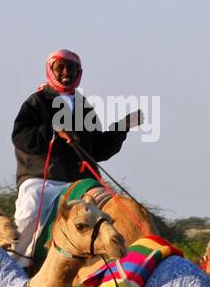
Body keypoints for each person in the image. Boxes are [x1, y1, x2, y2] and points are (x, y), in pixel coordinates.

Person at [11, 49, 134, 257]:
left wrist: (122, 127)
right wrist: (53, 132)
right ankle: (19, 263)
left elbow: (98, 149)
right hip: (43, 180)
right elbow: (21, 136)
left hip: (81, 182)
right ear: (51, 69)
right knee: (30, 212)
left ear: (79, 72)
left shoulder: (83, 106)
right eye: (61, 67)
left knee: (112, 211)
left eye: (72, 68)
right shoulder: (37, 101)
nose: (66, 72)